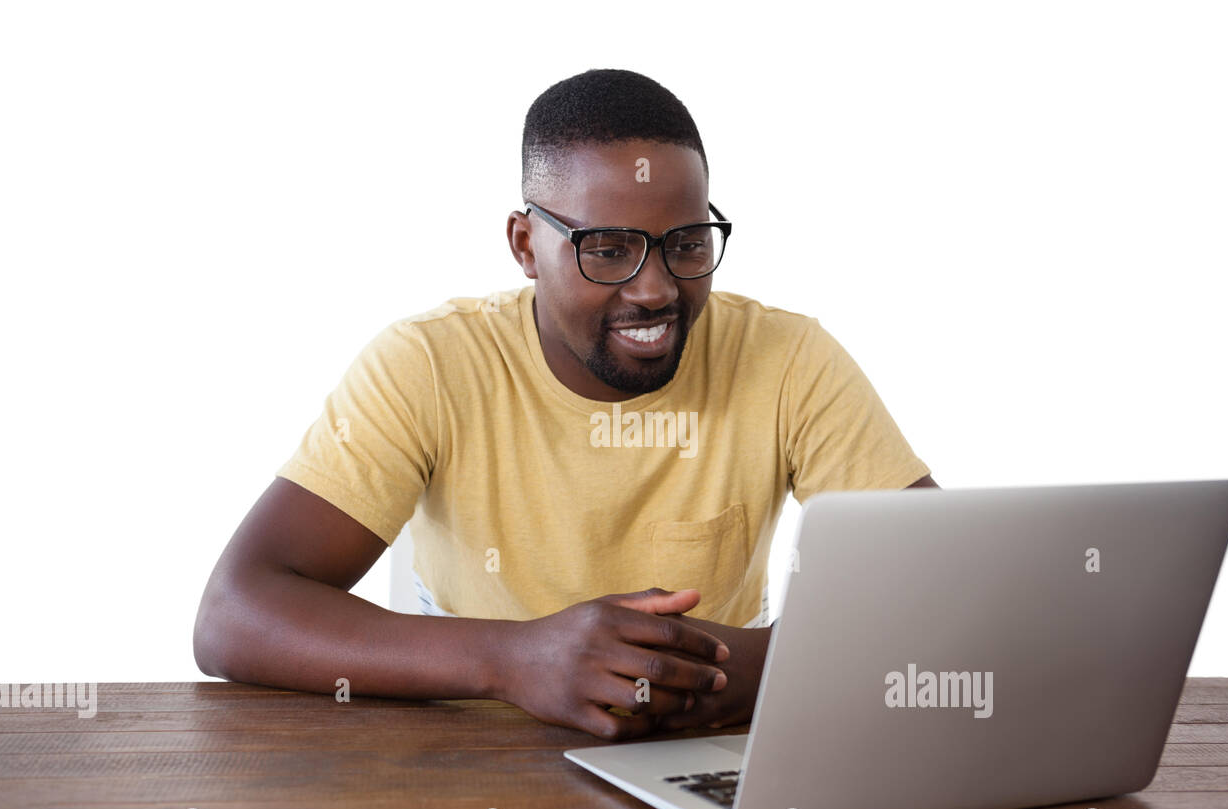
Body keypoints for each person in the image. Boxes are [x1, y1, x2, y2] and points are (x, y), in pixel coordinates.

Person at [193, 68, 938, 740]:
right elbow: (234, 613)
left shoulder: (788, 359)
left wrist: (769, 667)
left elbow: (944, 589)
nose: (656, 290)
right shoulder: (429, 364)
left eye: (685, 243)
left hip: (707, 743)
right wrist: (513, 659)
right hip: (479, 748)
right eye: (608, 249)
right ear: (525, 245)